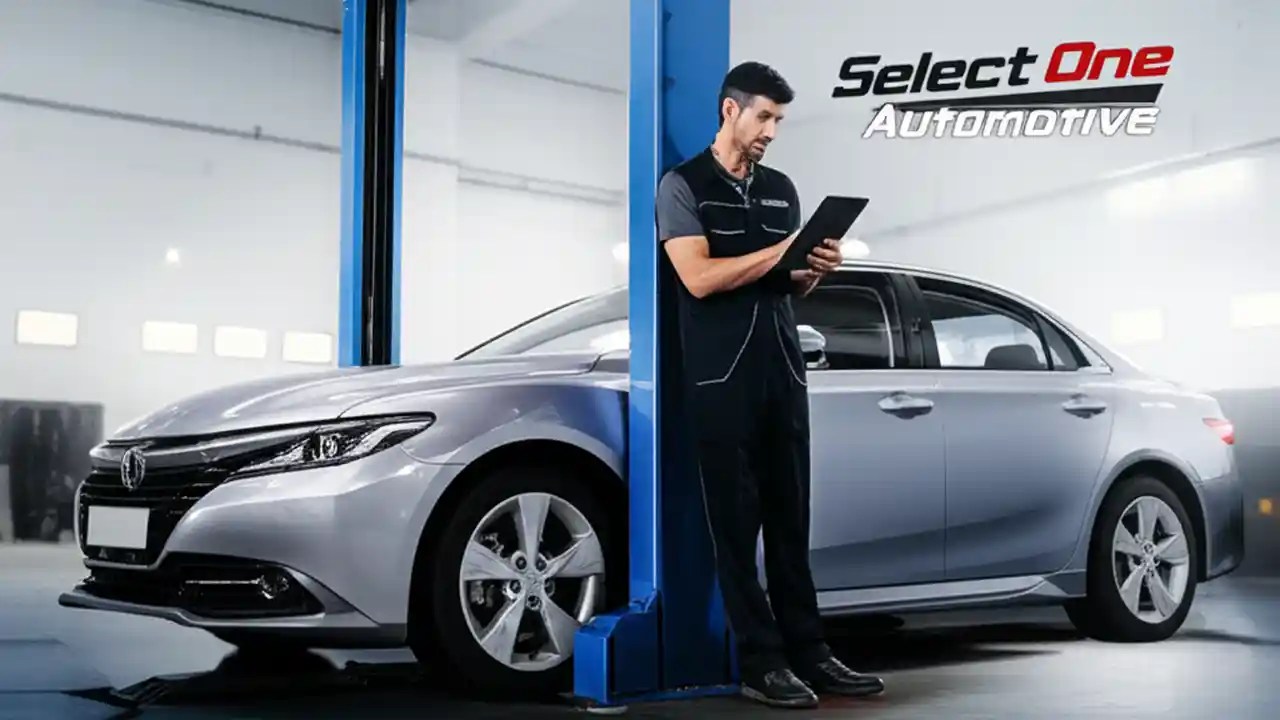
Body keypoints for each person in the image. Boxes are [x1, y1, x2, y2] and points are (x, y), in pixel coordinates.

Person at [656, 61, 886, 709]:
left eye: (779, 120)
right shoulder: (683, 186)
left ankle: (812, 652)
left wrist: (813, 264)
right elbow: (697, 278)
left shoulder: (781, 187)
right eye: (764, 117)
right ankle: (761, 662)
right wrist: (782, 249)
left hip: (783, 371)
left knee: (791, 524)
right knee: (736, 527)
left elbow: (788, 285)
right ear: (731, 110)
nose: (772, 131)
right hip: (718, 377)